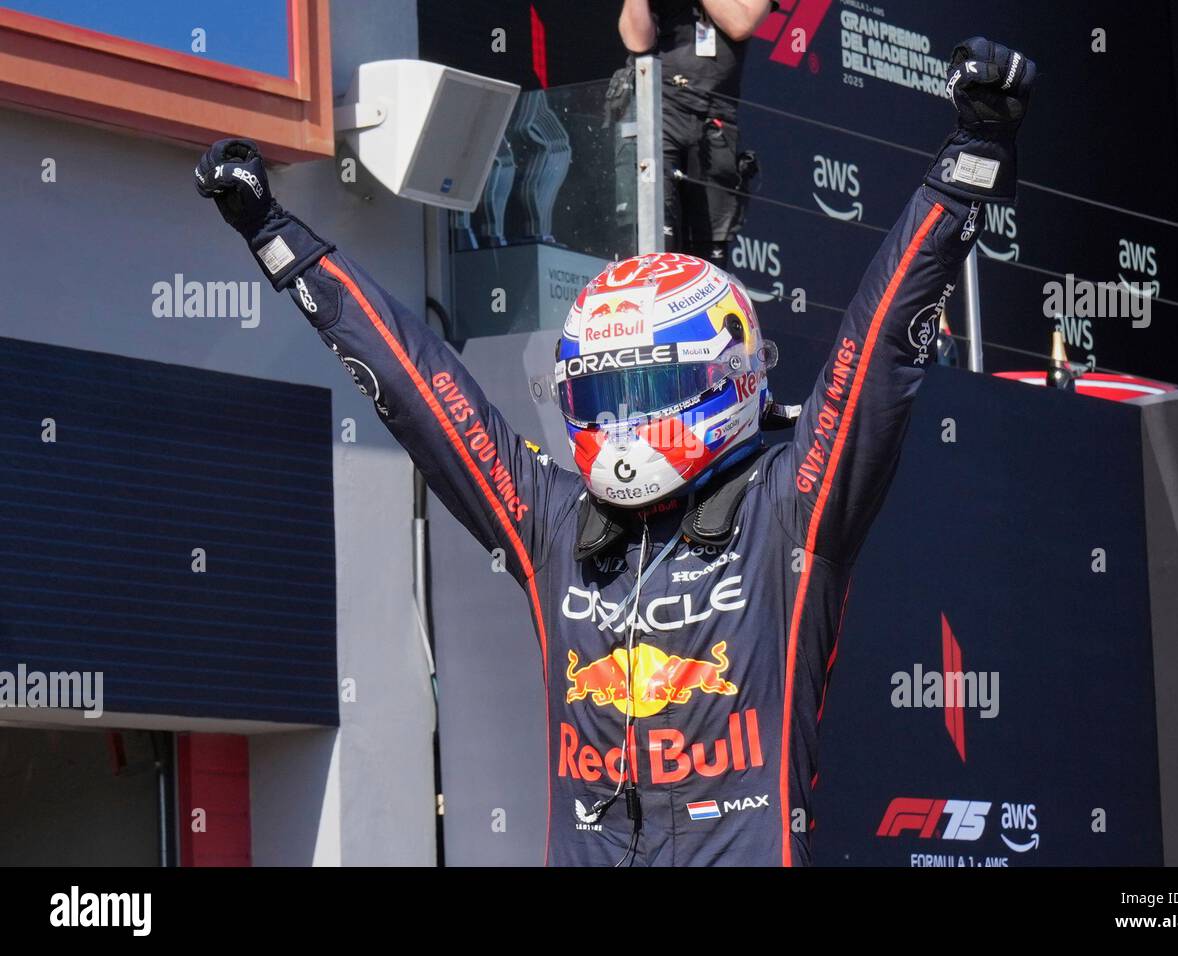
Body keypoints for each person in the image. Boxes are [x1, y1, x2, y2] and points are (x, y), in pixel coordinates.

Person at [195, 37, 1034, 866]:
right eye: (604, 395)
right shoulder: (556, 522)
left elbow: (879, 342)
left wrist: (970, 156)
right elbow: (420, 391)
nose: (625, 422)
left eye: (647, 390)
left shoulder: (792, 509)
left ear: (726, 376)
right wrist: (276, 236)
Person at [618, 0, 771, 266]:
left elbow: (741, 23)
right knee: (654, 235)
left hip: (716, 119)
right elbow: (637, 41)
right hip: (658, 109)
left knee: (710, 252)